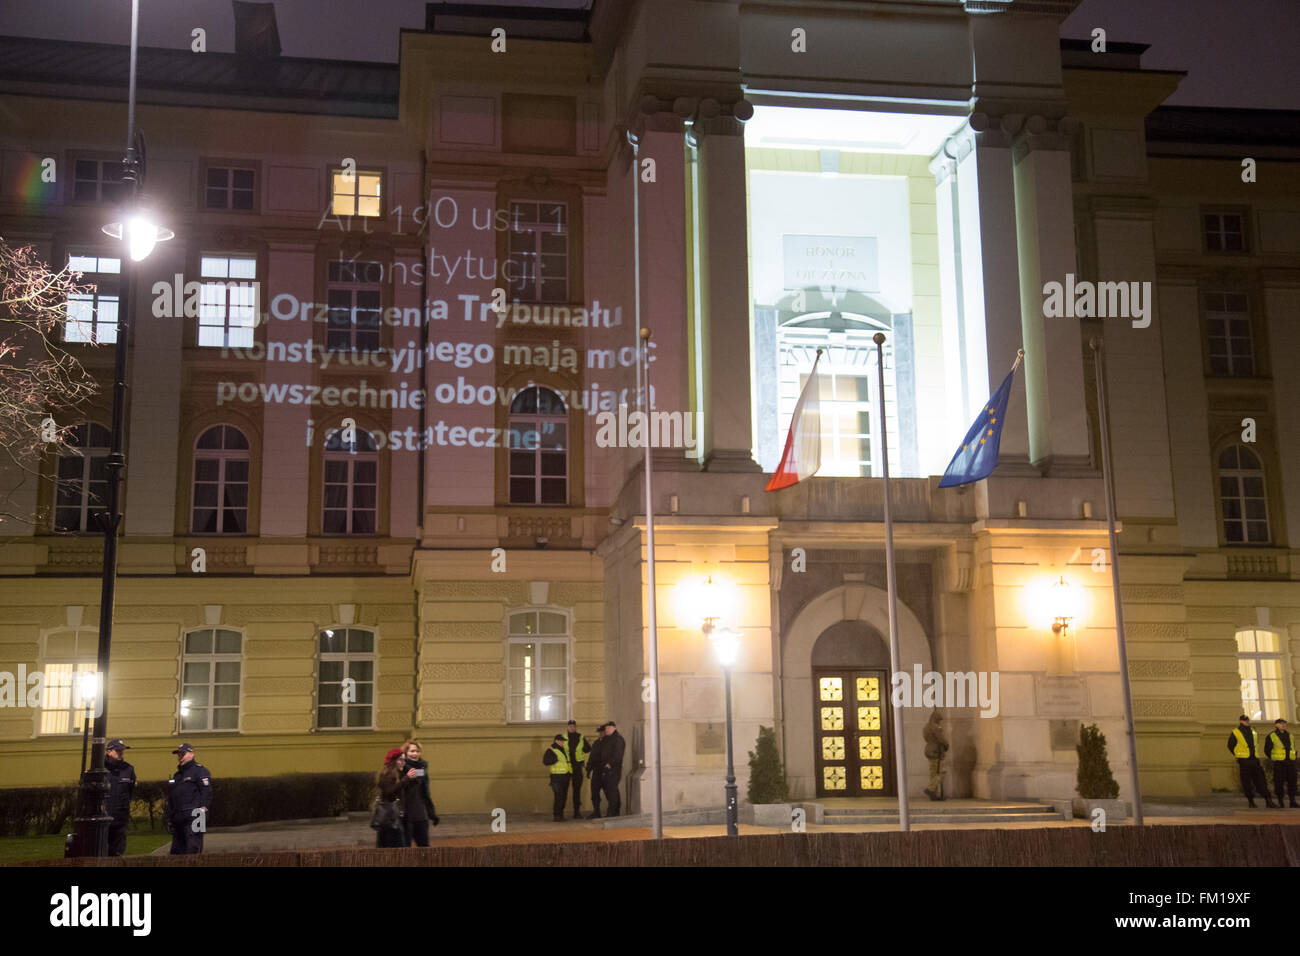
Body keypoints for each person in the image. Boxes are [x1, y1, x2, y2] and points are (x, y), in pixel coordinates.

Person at [164, 743, 213, 854]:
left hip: (195, 817)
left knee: (192, 850)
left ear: (192, 754)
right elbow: (172, 797)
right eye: (178, 754)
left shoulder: (200, 771)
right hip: (178, 818)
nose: (180, 756)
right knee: (176, 854)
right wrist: (170, 817)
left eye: (183, 754)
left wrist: (202, 812)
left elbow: (206, 793)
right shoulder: (177, 775)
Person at [1228, 715, 1276, 808]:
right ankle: (1251, 802)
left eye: (1247, 720)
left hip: (1254, 760)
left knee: (1261, 781)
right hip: (1244, 761)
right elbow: (1230, 745)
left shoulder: (1253, 731)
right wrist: (1238, 755)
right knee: (1247, 783)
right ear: (1240, 721)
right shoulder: (1236, 732)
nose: (1247, 722)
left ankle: (1268, 800)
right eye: (1244, 720)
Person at [400, 740, 439, 847]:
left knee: (424, 846)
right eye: (412, 751)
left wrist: (432, 813)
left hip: (420, 813)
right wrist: (407, 778)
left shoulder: (423, 768)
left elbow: (426, 793)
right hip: (405, 814)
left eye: (417, 751)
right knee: (404, 848)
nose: (415, 754)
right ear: (406, 753)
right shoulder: (401, 768)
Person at [104, 738, 136, 857]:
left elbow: (130, 791)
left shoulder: (128, 769)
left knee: (118, 853)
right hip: (104, 819)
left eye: (122, 750)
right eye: (118, 751)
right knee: (102, 852)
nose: (121, 753)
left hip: (120, 819)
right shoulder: (101, 769)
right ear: (108, 752)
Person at [373, 748, 406, 848]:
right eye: (400, 760)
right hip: (389, 817)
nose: (403, 762)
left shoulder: (394, 773)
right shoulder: (388, 774)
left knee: (385, 845)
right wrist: (405, 780)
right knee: (396, 846)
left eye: (404, 760)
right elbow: (389, 792)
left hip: (389, 817)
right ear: (393, 761)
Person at [1264, 717, 1298, 808]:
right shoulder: (1272, 736)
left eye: (1284, 723)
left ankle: (1292, 801)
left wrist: (1294, 758)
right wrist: (1274, 758)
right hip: (1279, 763)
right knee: (1279, 782)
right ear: (1276, 725)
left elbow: (1292, 747)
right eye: (1281, 723)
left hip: (1290, 762)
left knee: (1292, 782)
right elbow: (1267, 750)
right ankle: (1280, 801)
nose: (1283, 725)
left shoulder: (1290, 735)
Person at [565, 719, 591, 821]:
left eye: (573, 726)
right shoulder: (563, 737)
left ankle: (576, 812)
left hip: (577, 767)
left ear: (576, 727)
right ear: (568, 727)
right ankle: (560, 813)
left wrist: (585, 746)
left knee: (577, 790)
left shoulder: (581, 737)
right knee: (563, 790)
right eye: (570, 726)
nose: (572, 728)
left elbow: (588, 749)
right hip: (566, 767)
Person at [542, 733, 571, 821]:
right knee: (559, 796)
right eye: (561, 741)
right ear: (556, 741)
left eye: (563, 741)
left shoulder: (563, 750)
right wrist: (554, 759)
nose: (563, 742)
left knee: (563, 797)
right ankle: (557, 816)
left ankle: (560, 815)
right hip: (556, 777)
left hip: (565, 776)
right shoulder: (551, 750)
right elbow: (545, 761)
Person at [599, 721, 625, 817]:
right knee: (608, 790)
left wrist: (610, 764)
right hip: (606, 769)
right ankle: (613, 810)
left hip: (613, 769)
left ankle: (613, 812)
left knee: (612, 790)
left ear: (614, 728)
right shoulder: (607, 739)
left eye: (608, 728)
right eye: (606, 729)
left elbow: (618, 755)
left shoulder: (618, 739)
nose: (606, 730)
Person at [922, 711, 948, 801]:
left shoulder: (926, 727)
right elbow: (941, 739)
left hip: (929, 750)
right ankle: (931, 789)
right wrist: (946, 745)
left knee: (933, 773)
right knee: (941, 772)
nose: (939, 722)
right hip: (936, 751)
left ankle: (934, 794)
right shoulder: (935, 727)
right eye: (939, 720)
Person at [587, 723, 608, 819]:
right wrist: (588, 769)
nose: (600, 734)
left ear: (605, 732)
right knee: (594, 793)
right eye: (599, 732)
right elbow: (591, 757)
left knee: (608, 793)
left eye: (602, 732)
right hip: (596, 771)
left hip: (605, 772)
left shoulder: (609, 743)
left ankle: (612, 812)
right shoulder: (596, 743)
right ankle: (596, 812)